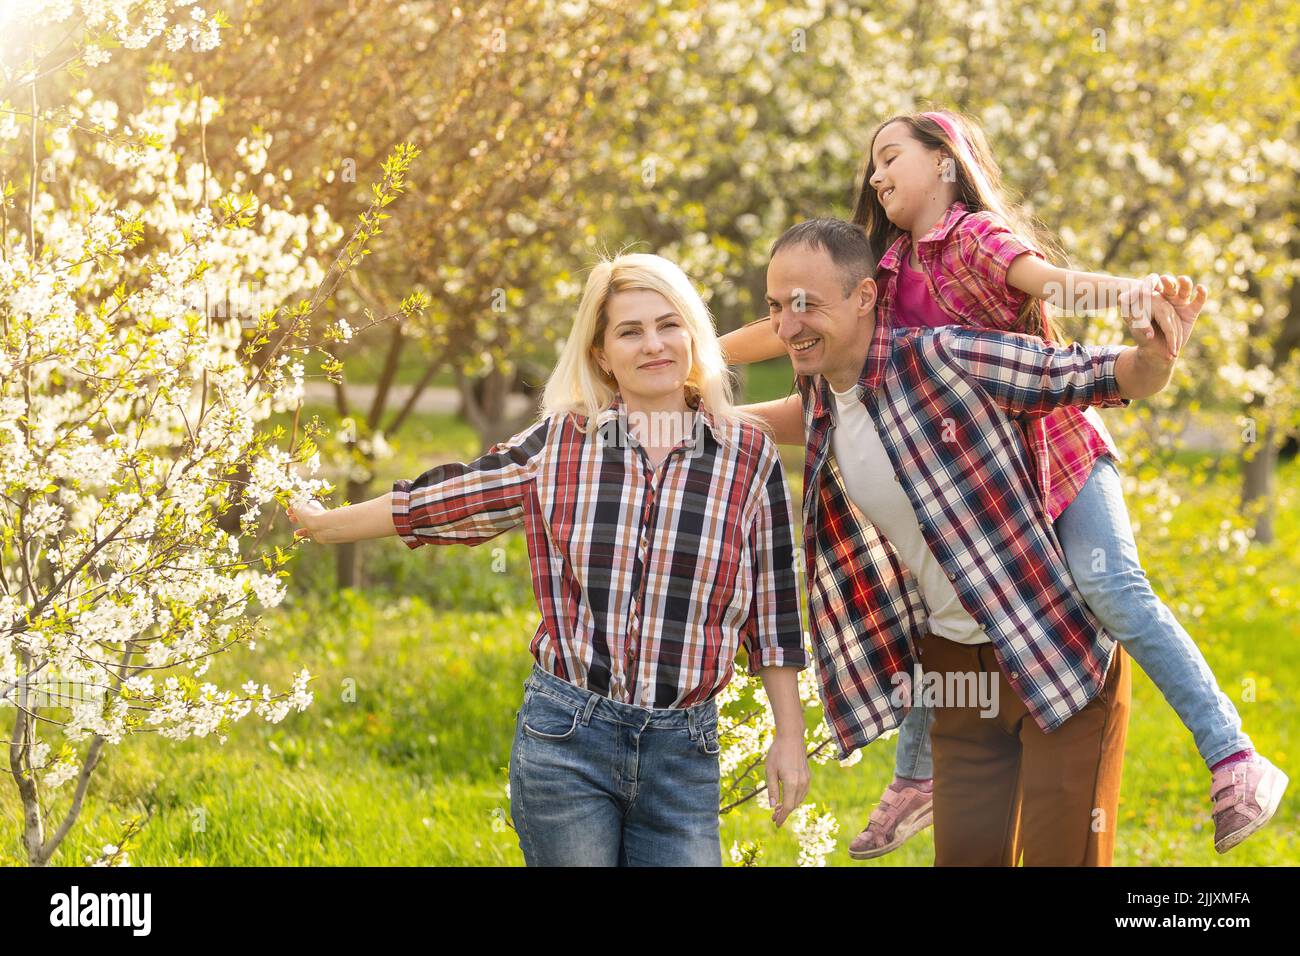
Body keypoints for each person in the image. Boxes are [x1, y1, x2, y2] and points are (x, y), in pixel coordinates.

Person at [720, 110, 1287, 859]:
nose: (877, 174)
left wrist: (1135, 298)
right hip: (984, 473)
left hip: (1056, 447)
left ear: (947, 164)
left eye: (892, 155)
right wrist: (690, 355)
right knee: (935, 579)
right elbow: (795, 319)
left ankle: (1232, 754)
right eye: (872, 164)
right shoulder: (883, 274)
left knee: (1108, 582)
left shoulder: (976, 240)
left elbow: (1055, 284)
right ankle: (918, 776)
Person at [288, 253, 811, 866]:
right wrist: (328, 526)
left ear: (694, 334)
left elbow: (774, 613)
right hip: (567, 739)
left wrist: (790, 737)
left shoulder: (747, 455)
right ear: (600, 354)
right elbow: (447, 500)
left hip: (683, 754)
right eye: (629, 331)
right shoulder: (564, 442)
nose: (654, 345)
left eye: (669, 325)